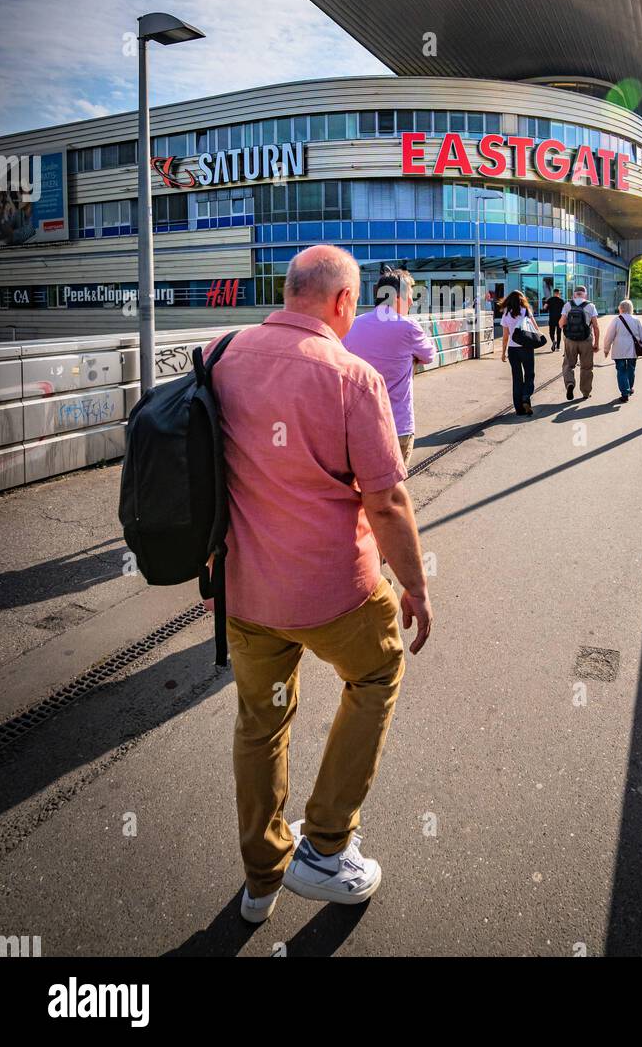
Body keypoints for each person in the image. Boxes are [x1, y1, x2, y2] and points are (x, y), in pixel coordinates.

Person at [205, 245, 432, 924]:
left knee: (260, 724)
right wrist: (415, 588)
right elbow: (386, 502)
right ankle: (327, 846)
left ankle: (262, 875)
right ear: (340, 302)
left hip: (244, 592)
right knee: (377, 674)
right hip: (335, 593)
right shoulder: (351, 377)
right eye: (354, 302)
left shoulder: (221, 355)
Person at [343, 268, 436, 468]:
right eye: (409, 297)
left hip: (360, 427)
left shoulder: (353, 325)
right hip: (397, 425)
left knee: (360, 493)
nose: (411, 302)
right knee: (392, 493)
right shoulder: (408, 327)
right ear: (396, 298)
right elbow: (429, 356)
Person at [500, 289, 541, 415]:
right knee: (529, 374)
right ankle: (526, 398)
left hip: (513, 350)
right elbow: (535, 328)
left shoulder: (506, 314)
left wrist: (503, 352)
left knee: (517, 378)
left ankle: (519, 409)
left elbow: (505, 336)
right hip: (526, 348)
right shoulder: (526, 311)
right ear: (522, 299)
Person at [603, 298, 642, 403]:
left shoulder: (616, 320)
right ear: (631, 308)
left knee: (621, 370)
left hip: (619, 350)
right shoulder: (636, 320)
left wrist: (606, 349)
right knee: (631, 369)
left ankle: (625, 393)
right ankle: (630, 388)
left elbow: (609, 336)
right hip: (632, 350)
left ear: (620, 308)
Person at [560, 284, 600, 401]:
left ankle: (569, 384)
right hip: (586, 340)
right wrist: (596, 343)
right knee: (586, 367)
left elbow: (561, 323)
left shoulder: (567, 305)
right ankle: (586, 392)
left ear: (574, 294)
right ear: (585, 294)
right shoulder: (590, 306)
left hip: (570, 340)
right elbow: (596, 326)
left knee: (568, 365)